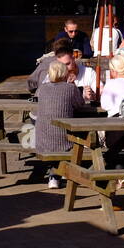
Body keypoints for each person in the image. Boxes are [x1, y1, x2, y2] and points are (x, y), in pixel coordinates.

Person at [35, 60, 84, 188]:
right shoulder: (70, 88)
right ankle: (62, 172)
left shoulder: (42, 89)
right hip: (65, 141)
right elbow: (80, 104)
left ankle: (55, 175)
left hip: (41, 141)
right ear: (65, 73)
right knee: (75, 136)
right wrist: (73, 85)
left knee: (53, 134)